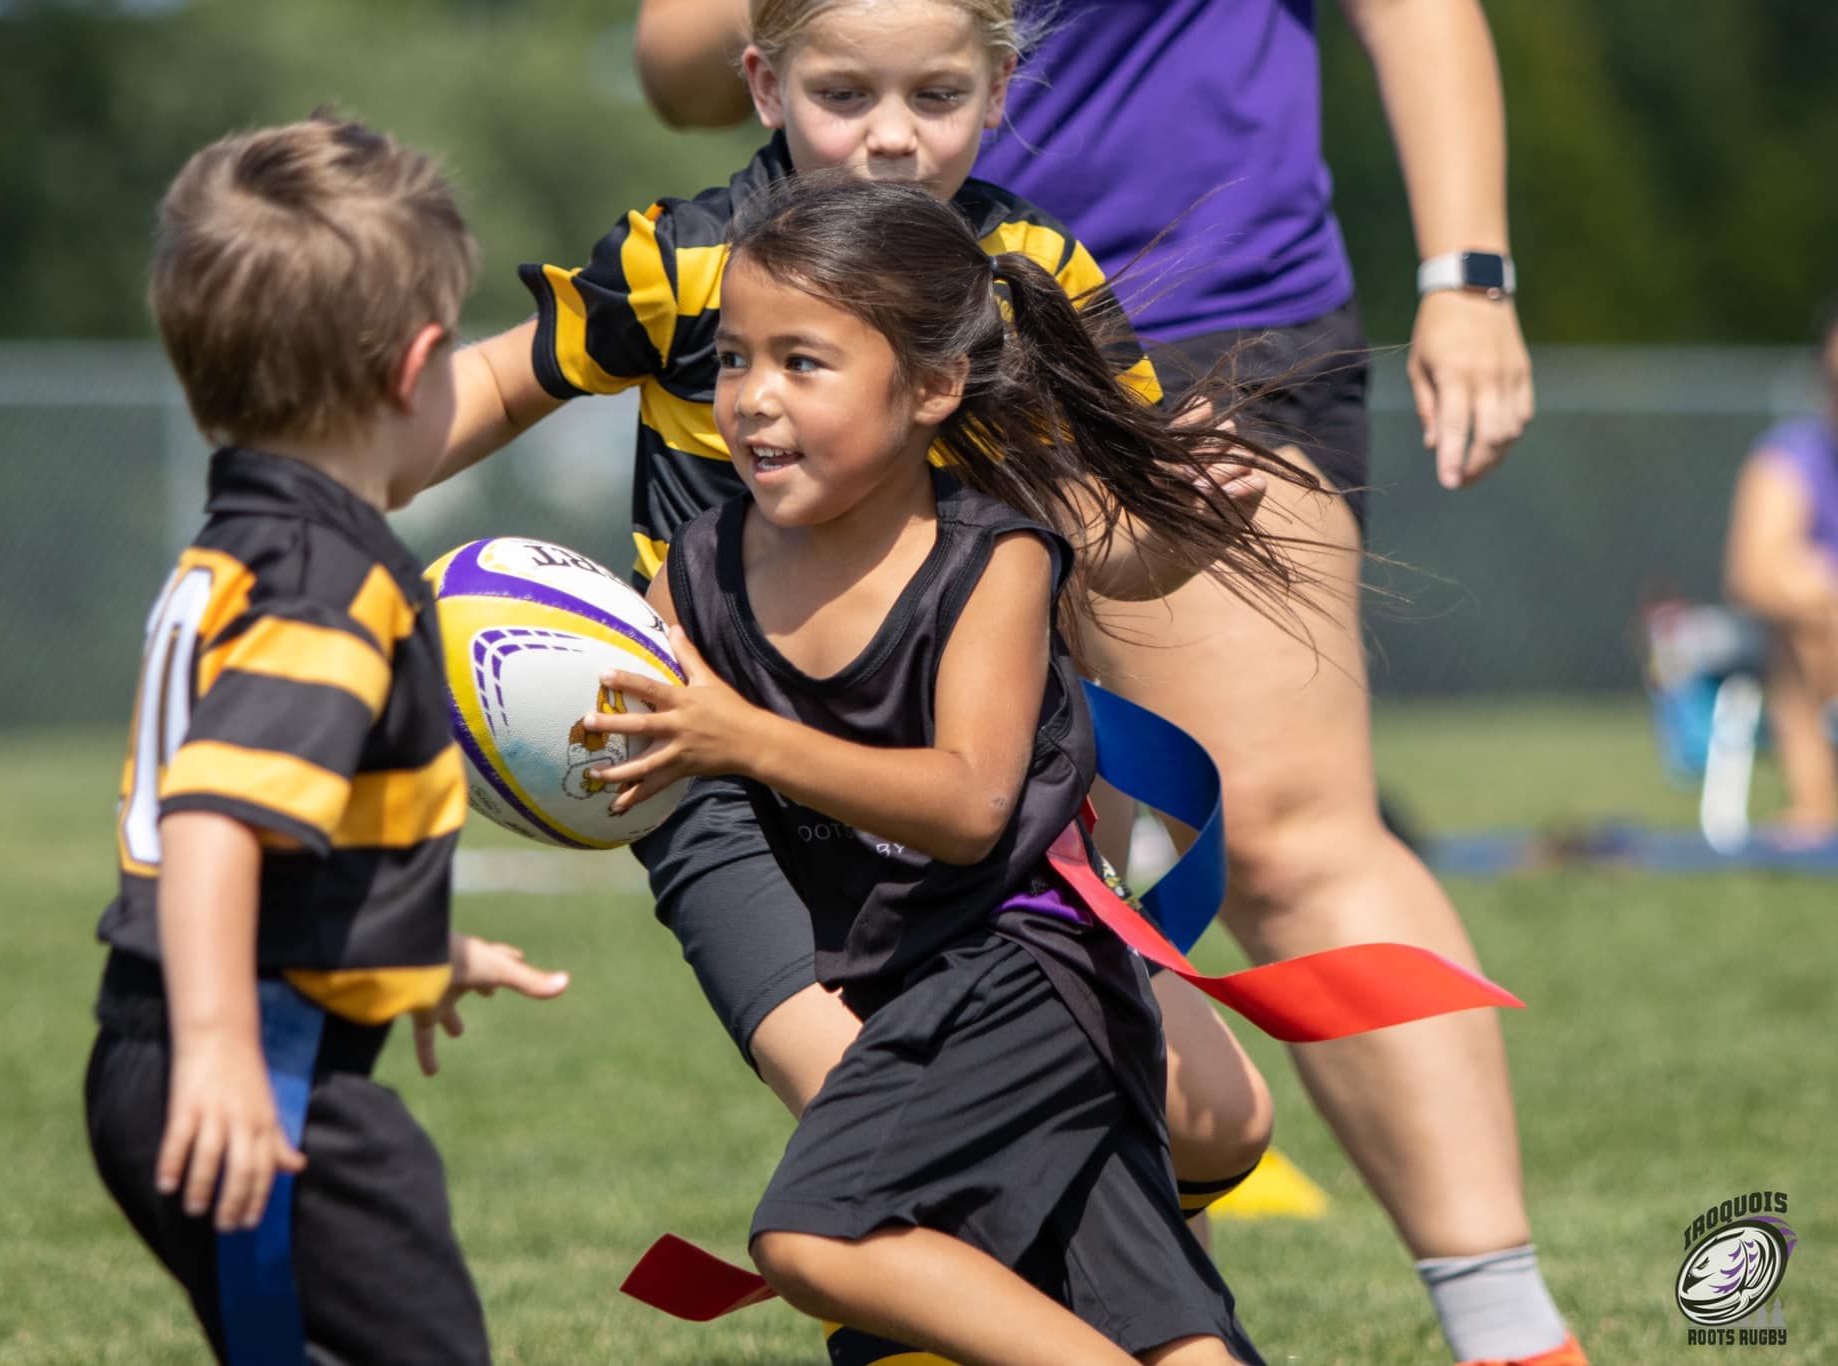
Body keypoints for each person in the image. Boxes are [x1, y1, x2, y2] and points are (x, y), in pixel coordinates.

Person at [633, 4, 1581, 1364]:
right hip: (854, 327)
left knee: (1282, 826)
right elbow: (675, 70)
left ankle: (1512, 1335)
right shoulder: (711, 296)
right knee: (979, 967)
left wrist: (1468, 271)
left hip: (1191, 315)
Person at [438, 0, 1283, 1247]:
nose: (891, 139)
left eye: (934, 98)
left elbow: (1109, 546)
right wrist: (319, 487)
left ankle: (1127, 1301)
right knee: (883, 1125)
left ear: (998, 93)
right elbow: (501, 380)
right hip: (704, 760)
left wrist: (1187, 525)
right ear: (764, 87)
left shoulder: (1029, 275)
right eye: (846, 97)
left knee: (1216, 1114)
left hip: (947, 750)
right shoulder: (685, 260)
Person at [589, 171, 1281, 1366]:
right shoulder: (694, 571)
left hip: (1027, 978)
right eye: (733, 361)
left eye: (802, 363)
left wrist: (740, 737)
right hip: (902, 990)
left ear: (930, 388)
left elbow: (968, 806)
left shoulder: (994, 556)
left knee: (821, 1241)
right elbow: (645, 743)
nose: (753, 401)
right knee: (1171, 1334)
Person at [83, 115, 569, 1365]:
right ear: (416, 369)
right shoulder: (323, 585)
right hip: (260, 1065)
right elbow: (214, 822)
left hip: (232, 1038)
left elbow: (285, 834)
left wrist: (411, 945)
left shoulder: (246, 543)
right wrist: (225, 1052)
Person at [1724, 288, 1838, 837]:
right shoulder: (1792, 457)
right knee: (1800, 616)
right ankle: (1817, 803)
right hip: (1814, 648)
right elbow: (1755, 574)